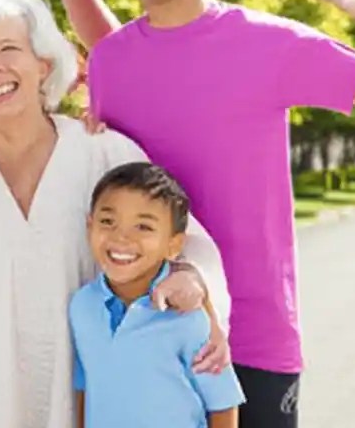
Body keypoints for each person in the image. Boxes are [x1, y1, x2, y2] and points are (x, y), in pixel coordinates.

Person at [37, 0, 355, 428]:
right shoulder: (116, 62)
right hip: (146, 328)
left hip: (252, 333)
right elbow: (114, 49)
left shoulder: (268, 43)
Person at [0, 0, 232, 428]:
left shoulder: (104, 153)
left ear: (45, 65)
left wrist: (188, 274)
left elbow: (181, 241)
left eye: (8, 48)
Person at [70, 161, 244, 428]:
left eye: (144, 227)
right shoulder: (81, 306)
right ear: (89, 226)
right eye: (108, 221)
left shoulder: (189, 317)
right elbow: (84, 388)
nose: (121, 238)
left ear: (174, 244)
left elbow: (223, 404)